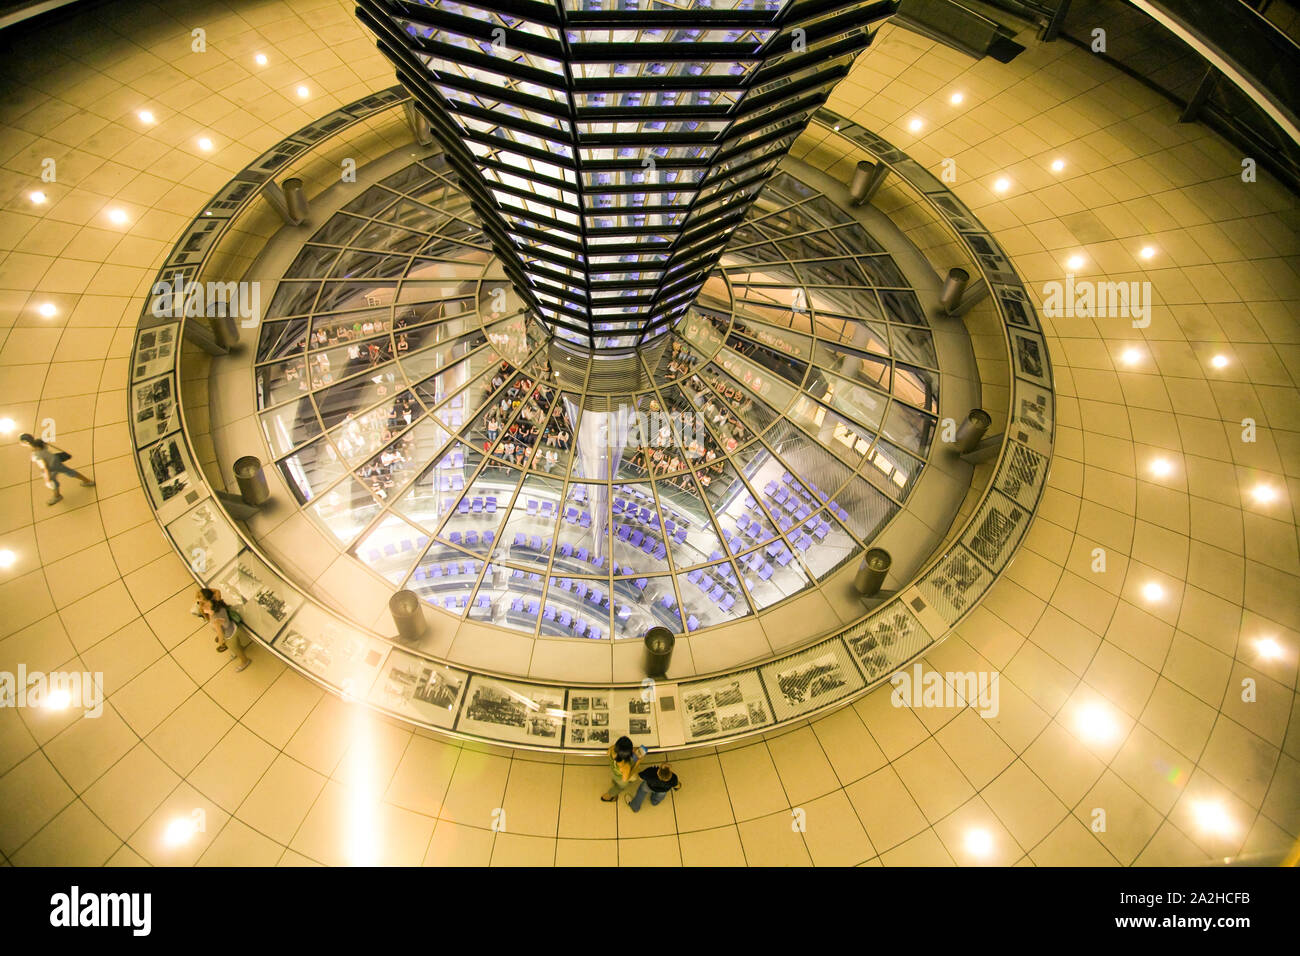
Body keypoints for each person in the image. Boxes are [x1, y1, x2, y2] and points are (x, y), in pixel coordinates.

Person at [20, 434, 94, 506]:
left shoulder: (36, 454)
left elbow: (44, 466)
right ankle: (88, 481)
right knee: (69, 471)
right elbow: (46, 446)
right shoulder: (39, 441)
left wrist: (47, 477)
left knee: (53, 482)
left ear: (26, 442)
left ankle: (57, 496)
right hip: (55, 459)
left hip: (51, 468)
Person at [196, 587, 252, 672]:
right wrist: (206, 593)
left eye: (201, 603)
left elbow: (220, 633)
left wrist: (221, 643)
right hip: (233, 627)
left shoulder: (215, 619)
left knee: (235, 648)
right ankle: (240, 647)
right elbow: (216, 591)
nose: (200, 606)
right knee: (236, 643)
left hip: (229, 635)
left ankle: (245, 661)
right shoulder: (217, 601)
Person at [601, 735, 647, 802]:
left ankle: (614, 784)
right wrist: (638, 763)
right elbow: (625, 779)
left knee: (615, 780)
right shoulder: (625, 766)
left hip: (614, 772)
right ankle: (608, 796)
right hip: (621, 779)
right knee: (619, 787)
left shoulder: (612, 749)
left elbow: (608, 752)